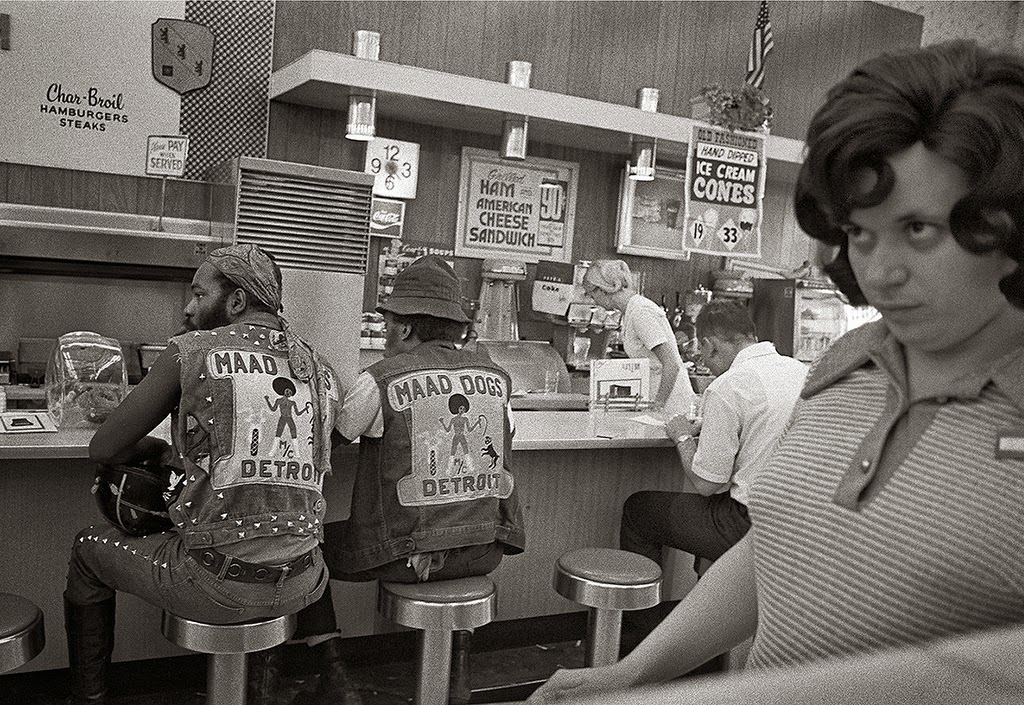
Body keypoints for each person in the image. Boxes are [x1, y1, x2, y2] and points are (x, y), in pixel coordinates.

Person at [528, 39, 1024, 703]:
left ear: (1007, 220)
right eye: (861, 232)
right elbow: (779, 551)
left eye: (917, 229)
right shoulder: (846, 364)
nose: (880, 271)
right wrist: (631, 672)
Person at [71, 244, 339, 705]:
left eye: (198, 294)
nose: (188, 307)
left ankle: (86, 699)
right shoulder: (316, 364)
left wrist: (161, 447)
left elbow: (105, 446)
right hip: (306, 580)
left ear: (235, 302)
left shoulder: (190, 353)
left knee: (87, 549)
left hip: (217, 584)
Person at [289, 255, 527, 705]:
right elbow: (505, 435)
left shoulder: (379, 380)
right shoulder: (495, 378)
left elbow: (325, 443)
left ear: (402, 328)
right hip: (483, 550)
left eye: (388, 323)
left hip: (406, 555)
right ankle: (456, 674)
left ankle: (334, 676)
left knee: (303, 546)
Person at [618, 300, 806, 645]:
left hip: (747, 524)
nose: (701, 360)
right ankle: (709, 624)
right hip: (801, 523)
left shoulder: (728, 386)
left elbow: (707, 484)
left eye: (700, 351)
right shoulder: (799, 371)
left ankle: (639, 638)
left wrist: (682, 436)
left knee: (639, 510)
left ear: (709, 344)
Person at [582, 260, 697, 412]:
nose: (594, 301)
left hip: (671, 404)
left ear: (603, 289)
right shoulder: (631, 310)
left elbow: (671, 364)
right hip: (656, 399)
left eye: (592, 295)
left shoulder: (640, 312)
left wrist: (658, 406)